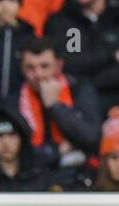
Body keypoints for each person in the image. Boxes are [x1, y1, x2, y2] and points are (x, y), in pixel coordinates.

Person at [9, 37, 102, 172]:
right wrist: (56, 151)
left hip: (78, 174)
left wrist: (55, 106)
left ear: (58, 65)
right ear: (22, 69)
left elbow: (90, 136)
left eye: (45, 66)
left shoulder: (79, 89)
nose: (38, 74)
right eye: (30, 68)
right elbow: (13, 151)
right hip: (32, 174)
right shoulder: (15, 98)